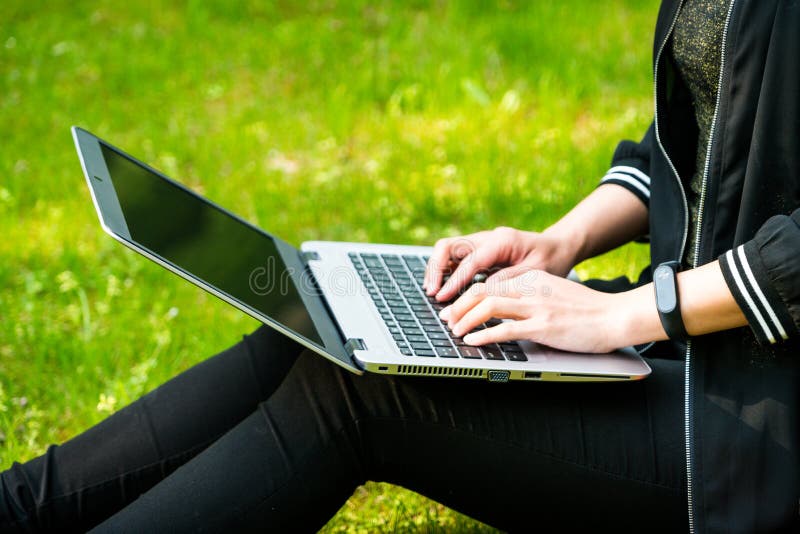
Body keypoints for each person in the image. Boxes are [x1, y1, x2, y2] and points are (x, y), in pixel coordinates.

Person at [1, 0, 798, 531]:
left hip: (762, 420)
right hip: (697, 338)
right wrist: (560, 241)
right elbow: (705, 121)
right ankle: (20, 508)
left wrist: (624, 315)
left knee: (357, 392)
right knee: (327, 322)